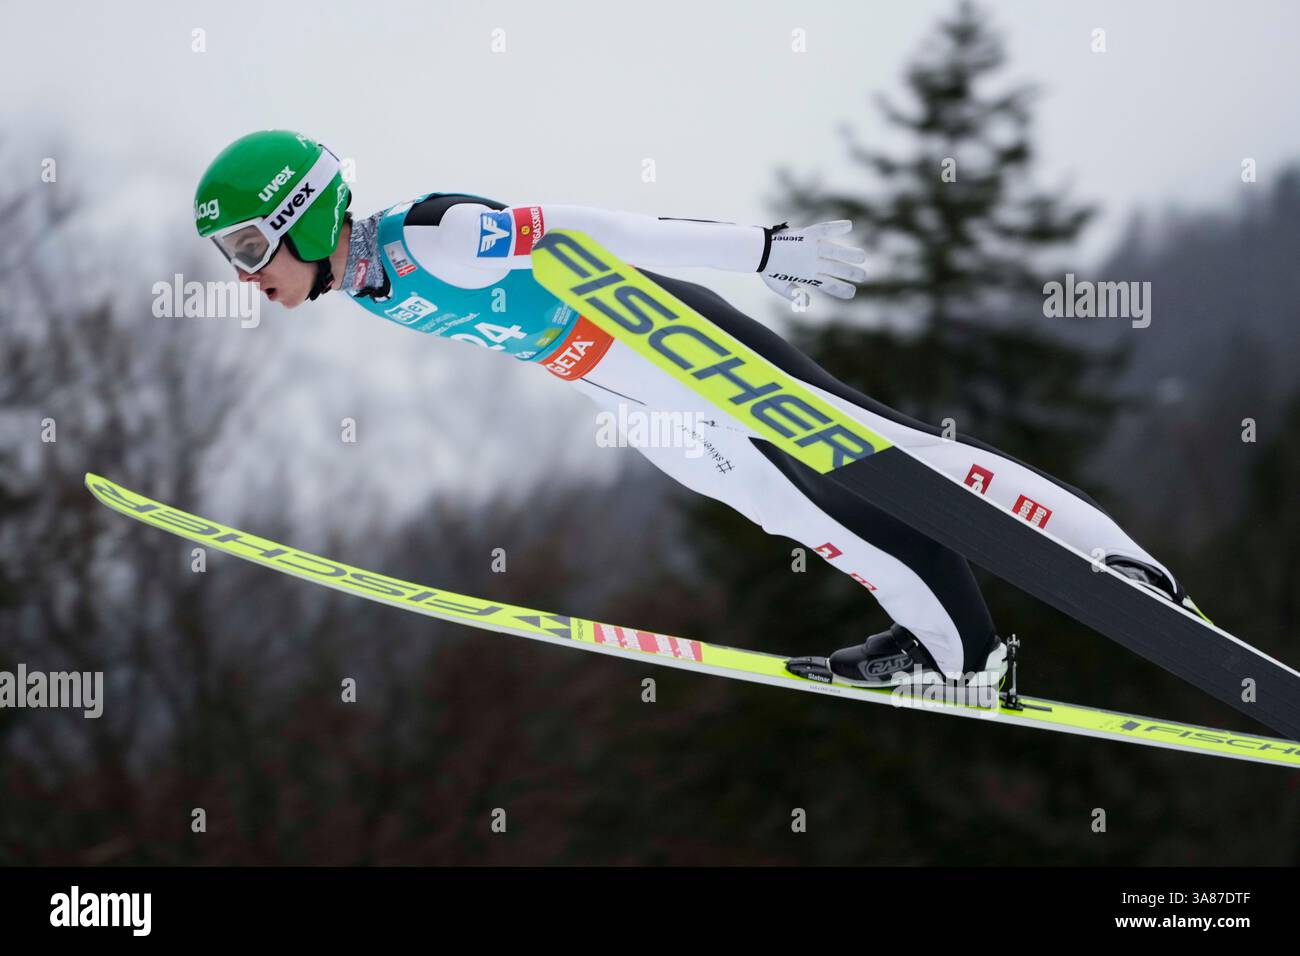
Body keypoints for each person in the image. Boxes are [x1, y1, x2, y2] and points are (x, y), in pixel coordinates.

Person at [194, 129, 1200, 689]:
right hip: (624, 389)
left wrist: (758, 247)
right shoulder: (369, 282)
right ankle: (956, 654)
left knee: (886, 454)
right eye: (229, 258)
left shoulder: (436, 236)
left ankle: (1116, 562)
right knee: (803, 514)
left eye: (249, 248)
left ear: (304, 213)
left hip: (669, 335)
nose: (247, 277)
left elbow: (596, 229)